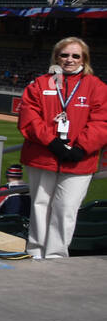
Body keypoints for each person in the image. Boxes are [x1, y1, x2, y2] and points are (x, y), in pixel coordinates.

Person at [17, 37, 107, 259]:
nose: (69, 60)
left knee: (66, 209)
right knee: (39, 205)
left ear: (84, 59)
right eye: (64, 55)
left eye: (76, 56)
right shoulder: (40, 83)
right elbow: (29, 118)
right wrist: (52, 143)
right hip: (43, 155)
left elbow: (101, 123)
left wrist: (80, 148)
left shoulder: (96, 87)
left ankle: (56, 256)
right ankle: (35, 252)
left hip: (79, 159)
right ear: (56, 57)